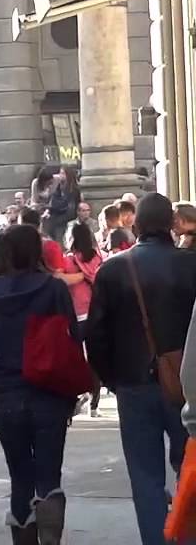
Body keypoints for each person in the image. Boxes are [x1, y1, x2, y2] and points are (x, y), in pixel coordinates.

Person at [87, 193, 196, 545]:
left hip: (134, 382)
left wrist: (109, 379)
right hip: (186, 385)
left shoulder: (114, 269)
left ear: (135, 223)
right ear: (172, 224)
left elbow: (97, 334)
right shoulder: (191, 264)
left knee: (144, 475)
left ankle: (155, 538)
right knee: (189, 469)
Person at [0, 224, 79, 545]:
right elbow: (72, 342)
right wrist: (70, 393)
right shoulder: (53, 289)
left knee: (20, 476)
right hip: (49, 393)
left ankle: (24, 538)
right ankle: (50, 538)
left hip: (6, 392)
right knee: (48, 475)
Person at [64, 222, 104, 416]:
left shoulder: (68, 260)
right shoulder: (97, 258)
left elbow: (60, 281)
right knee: (95, 360)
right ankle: (94, 405)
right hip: (95, 313)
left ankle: (78, 394)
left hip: (76, 315)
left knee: (76, 359)